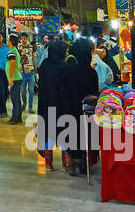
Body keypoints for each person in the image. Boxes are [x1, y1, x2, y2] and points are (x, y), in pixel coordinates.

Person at [56, 38, 101, 177]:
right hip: (87, 111)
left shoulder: (69, 70)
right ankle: (85, 162)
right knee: (86, 137)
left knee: (72, 135)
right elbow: (94, 93)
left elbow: (63, 90)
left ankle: (73, 163)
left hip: (71, 109)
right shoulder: (92, 73)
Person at [34, 37, 66, 168]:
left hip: (46, 104)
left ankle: (48, 162)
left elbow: (41, 86)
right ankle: (66, 163)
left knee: (48, 132)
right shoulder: (64, 66)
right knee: (64, 133)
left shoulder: (45, 65)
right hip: (61, 105)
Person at [17, 33, 37, 114]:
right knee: (22, 91)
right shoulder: (18, 47)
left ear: (27, 38)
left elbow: (33, 58)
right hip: (22, 72)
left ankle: (30, 107)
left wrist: (35, 69)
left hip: (31, 71)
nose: (23, 40)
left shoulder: (32, 47)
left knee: (31, 90)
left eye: (24, 38)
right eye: (22, 38)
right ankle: (24, 102)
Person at [5, 42, 24, 124]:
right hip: (17, 77)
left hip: (15, 78)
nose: (7, 42)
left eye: (8, 40)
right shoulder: (15, 50)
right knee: (17, 99)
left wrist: (10, 78)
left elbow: (12, 65)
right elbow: (18, 65)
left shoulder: (12, 51)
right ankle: (18, 117)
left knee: (15, 99)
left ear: (11, 42)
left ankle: (15, 118)